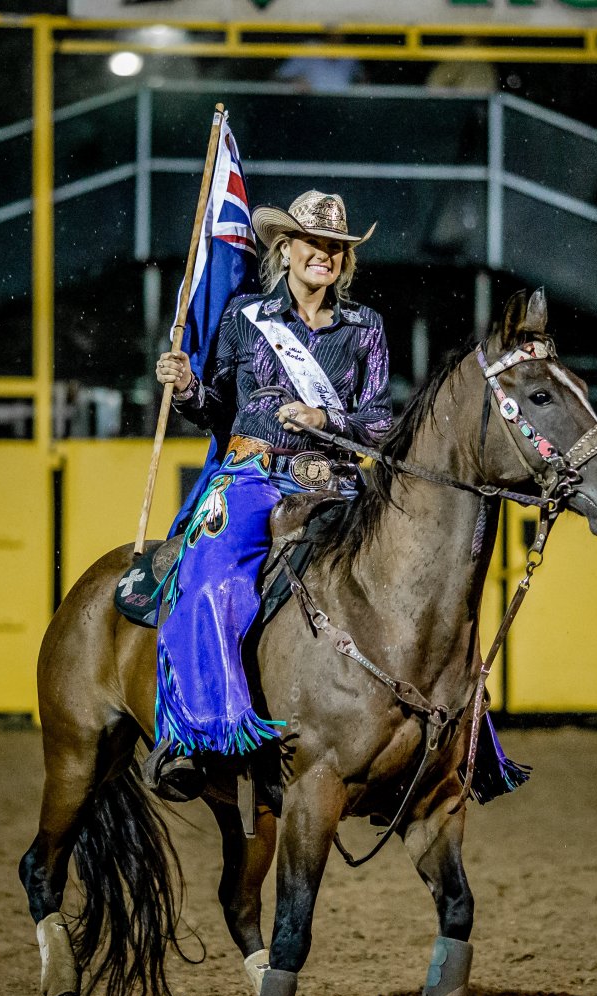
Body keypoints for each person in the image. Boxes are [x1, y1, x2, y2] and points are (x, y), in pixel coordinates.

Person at [147, 190, 392, 795]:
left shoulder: (366, 329)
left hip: (337, 483)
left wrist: (326, 420)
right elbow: (217, 410)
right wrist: (185, 389)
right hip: (252, 477)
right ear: (285, 250)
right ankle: (199, 734)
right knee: (206, 575)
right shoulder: (244, 316)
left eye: (338, 247)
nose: (327, 255)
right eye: (315, 243)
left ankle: (422, 741)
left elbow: (382, 421)